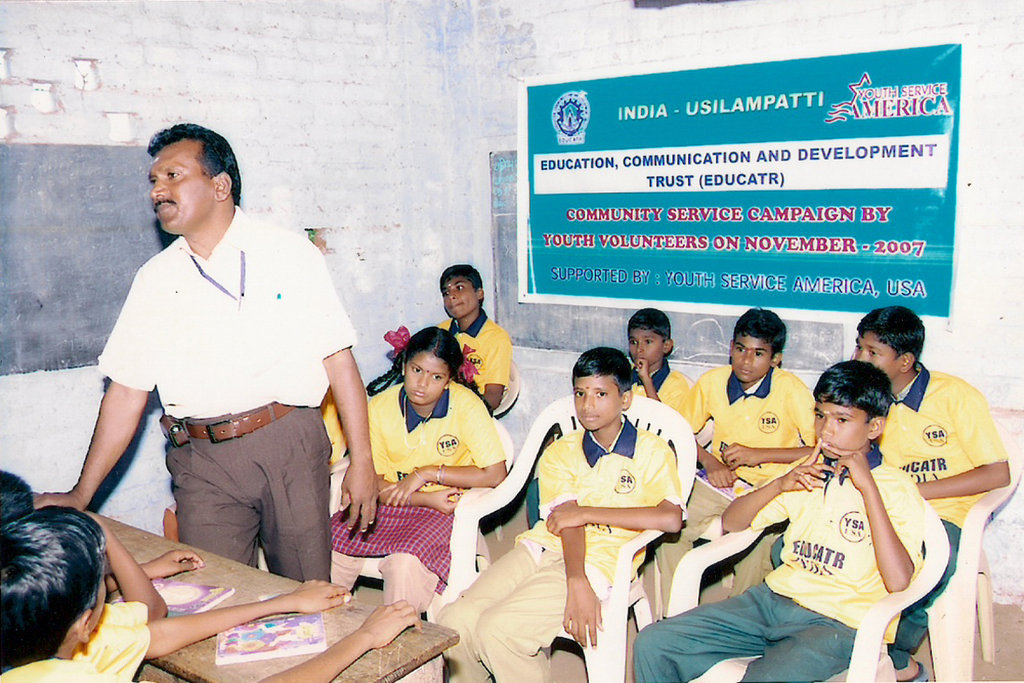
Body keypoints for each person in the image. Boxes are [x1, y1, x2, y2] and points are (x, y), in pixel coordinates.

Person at [35, 123, 378, 582]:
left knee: (306, 595)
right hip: (201, 460)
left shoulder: (290, 255)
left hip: (288, 443)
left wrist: (364, 462)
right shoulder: (154, 280)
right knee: (213, 594)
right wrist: (82, 493)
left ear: (220, 185)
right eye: (154, 181)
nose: (158, 190)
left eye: (173, 176)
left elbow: (341, 364)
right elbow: (125, 393)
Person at [634, 360, 927, 683]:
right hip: (772, 601)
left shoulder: (896, 487)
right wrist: (780, 484)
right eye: (820, 415)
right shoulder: (808, 470)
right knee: (654, 642)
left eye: (842, 420)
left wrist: (868, 489)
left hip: (840, 623)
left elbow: (899, 581)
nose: (826, 430)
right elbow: (732, 522)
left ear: (874, 427)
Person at [437, 347, 684, 683]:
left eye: (600, 394)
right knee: (456, 620)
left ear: (625, 399)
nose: (587, 405)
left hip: (602, 561)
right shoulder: (562, 451)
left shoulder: (652, 451)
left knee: (499, 630)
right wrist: (575, 576)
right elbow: (566, 523)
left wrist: (584, 517)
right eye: (580, 394)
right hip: (542, 548)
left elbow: (670, 519)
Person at [1, 507, 352, 681]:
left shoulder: (52, 641)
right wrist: (362, 637)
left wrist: (283, 603)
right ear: (85, 622)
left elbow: (155, 631)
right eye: (102, 582)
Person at [854, 306, 1010, 682]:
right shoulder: (865, 395)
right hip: (883, 504)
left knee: (924, 571)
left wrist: (915, 491)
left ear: (905, 361)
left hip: (943, 512)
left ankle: (900, 657)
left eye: (873, 353)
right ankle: (848, 639)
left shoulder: (954, 395)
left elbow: (997, 472)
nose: (860, 358)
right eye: (859, 347)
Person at [330, 327, 507, 613]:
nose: (422, 384)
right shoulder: (379, 408)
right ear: (403, 365)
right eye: (416, 370)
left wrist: (426, 473)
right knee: (333, 544)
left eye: (436, 377)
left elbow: (495, 473)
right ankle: (326, 635)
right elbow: (374, 482)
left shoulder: (466, 406)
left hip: (444, 509)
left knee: (404, 565)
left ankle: (407, 648)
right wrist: (421, 497)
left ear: (449, 381)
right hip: (395, 502)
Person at [655, 308, 816, 609]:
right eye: (740, 349)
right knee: (672, 527)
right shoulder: (713, 382)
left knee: (758, 550)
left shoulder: (791, 389)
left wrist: (761, 455)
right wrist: (708, 461)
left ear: (775, 358)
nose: (746, 360)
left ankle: (736, 620)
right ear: (730, 347)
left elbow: (817, 450)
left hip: (770, 486)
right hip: (721, 481)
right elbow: (678, 432)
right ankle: (676, 617)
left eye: (758, 354)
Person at [437, 264, 513, 412]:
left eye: (459, 288)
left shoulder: (496, 338)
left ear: (479, 293)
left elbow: (493, 398)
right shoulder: (441, 332)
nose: (451, 296)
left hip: (472, 413)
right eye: (446, 293)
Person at [627, 307, 692, 414]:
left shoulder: (676, 385)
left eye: (648, 342)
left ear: (666, 346)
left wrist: (646, 381)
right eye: (633, 342)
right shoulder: (621, 374)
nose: (639, 349)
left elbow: (664, 424)